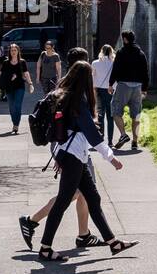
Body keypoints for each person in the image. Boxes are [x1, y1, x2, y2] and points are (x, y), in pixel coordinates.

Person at [29, 60, 138, 261]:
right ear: (85, 79)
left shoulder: (64, 95)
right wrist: (112, 159)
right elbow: (92, 134)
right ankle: (45, 248)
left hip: (72, 154)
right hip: (73, 156)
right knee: (62, 202)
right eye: (92, 76)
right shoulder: (77, 102)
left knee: (93, 199)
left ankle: (113, 243)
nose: (94, 79)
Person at [111, 30, 149, 149]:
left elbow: (115, 69)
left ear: (125, 39)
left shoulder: (121, 52)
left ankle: (123, 135)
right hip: (137, 86)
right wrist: (144, 88)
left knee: (116, 110)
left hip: (123, 85)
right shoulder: (141, 53)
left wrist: (110, 83)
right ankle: (135, 142)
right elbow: (145, 72)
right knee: (136, 115)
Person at [0, 43, 33, 135]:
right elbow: (1, 74)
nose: (13, 52)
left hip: (19, 86)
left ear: (18, 51)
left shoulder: (22, 62)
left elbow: (26, 73)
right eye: (12, 50)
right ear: (9, 52)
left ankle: (16, 125)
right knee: (12, 107)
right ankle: (14, 122)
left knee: (17, 105)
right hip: (9, 87)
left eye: (15, 50)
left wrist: (30, 84)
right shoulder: (6, 63)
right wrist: (7, 79)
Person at [92, 44, 116, 146]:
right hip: (111, 90)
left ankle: (100, 138)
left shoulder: (95, 63)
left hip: (99, 90)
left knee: (100, 115)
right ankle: (110, 141)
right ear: (111, 52)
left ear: (101, 51)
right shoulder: (114, 63)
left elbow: (93, 78)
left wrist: (93, 89)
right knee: (110, 117)